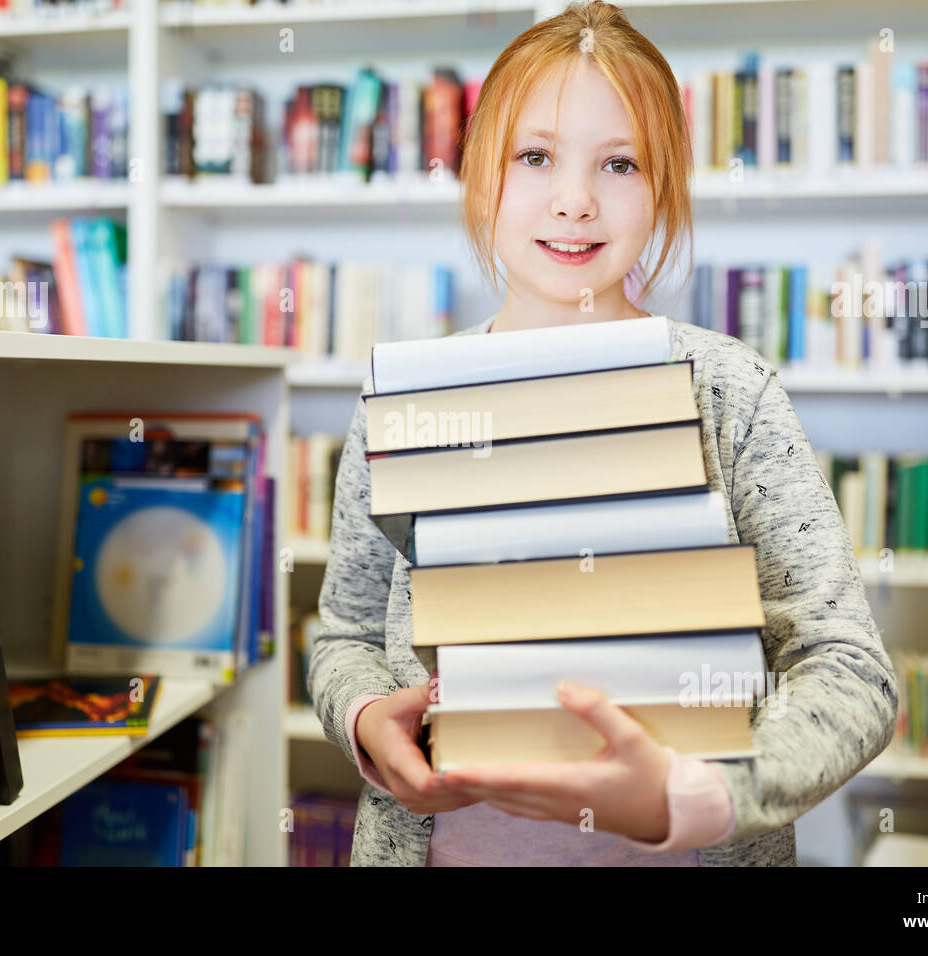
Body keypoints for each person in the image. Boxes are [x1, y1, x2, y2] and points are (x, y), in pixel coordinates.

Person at [308, 0, 897, 866]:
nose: (575, 200)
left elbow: (849, 667)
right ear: (480, 175)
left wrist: (703, 793)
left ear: (662, 188)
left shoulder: (731, 392)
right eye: (535, 156)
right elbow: (345, 637)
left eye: (619, 164)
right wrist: (364, 717)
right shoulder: (400, 401)